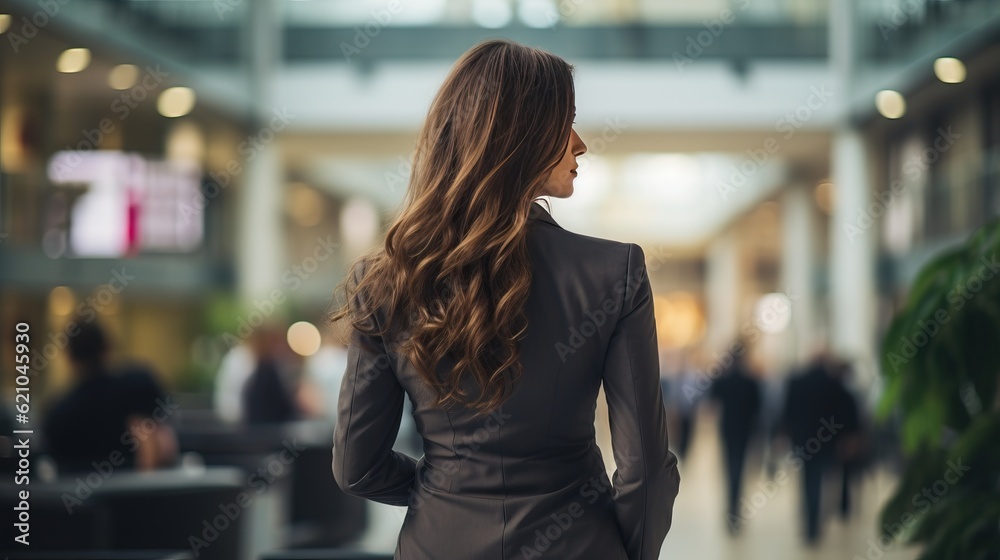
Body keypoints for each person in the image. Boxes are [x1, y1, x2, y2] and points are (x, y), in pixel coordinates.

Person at [327, 39, 680, 560]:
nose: (580, 143)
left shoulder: (386, 281)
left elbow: (356, 468)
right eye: (567, 122)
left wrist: (444, 491)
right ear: (520, 135)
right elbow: (645, 471)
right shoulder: (616, 272)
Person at [42, 319, 177, 474]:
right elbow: (166, 444)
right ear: (107, 347)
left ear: (69, 357)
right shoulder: (139, 384)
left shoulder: (57, 415)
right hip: (141, 493)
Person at [781, 353, 855, 544]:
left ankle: (810, 523)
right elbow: (843, 413)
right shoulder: (832, 383)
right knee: (821, 479)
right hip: (825, 440)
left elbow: (787, 411)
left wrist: (785, 434)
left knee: (807, 480)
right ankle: (815, 521)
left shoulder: (797, 382)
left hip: (803, 439)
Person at [708, 341, 761, 535]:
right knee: (739, 468)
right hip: (745, 430)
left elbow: (712, 402)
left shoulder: (723, 380)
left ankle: (731, 507)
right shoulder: (751, 381)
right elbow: (758, 408)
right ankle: (735, 509)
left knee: (729, 467)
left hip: (728, 429)